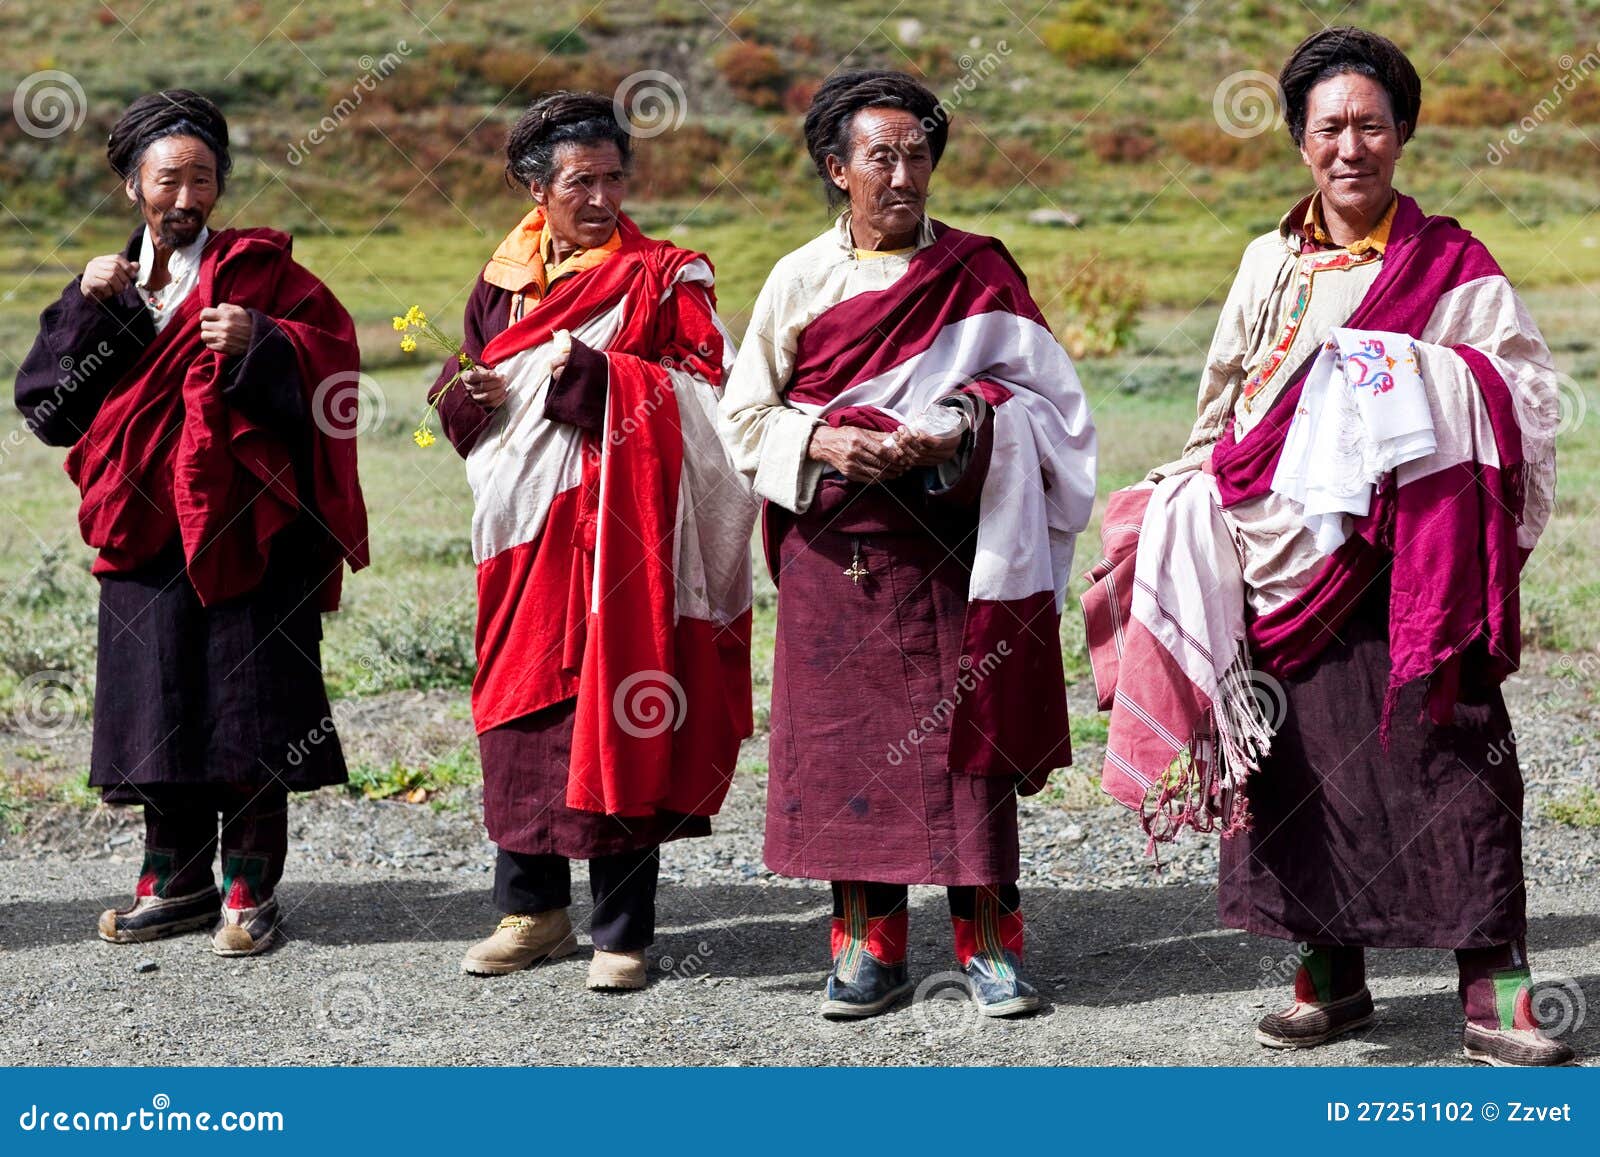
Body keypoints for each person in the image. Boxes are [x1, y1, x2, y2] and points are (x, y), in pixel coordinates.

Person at [1082, 29, 1572, 1065]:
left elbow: (1525, 394)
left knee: (1452, 759)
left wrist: (1411, 373)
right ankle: (1329, 968)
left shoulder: (1452, 264)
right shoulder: (1268, 264)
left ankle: (1495, 978)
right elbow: (1224, 404)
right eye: (1330, 127)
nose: (1351, 147)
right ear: (1300, 141)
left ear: (1405, 132)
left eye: (1372, 126)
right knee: (1299, 764)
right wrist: (1194, 492)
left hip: (1411, 563)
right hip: (1277, 564)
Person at [719, 70, 1096, 1019]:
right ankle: (865, 949)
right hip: (834, 556)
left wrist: (965, 423)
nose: (902, 175)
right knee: (847, 754)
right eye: (880, 157)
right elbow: (743, 417)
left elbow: (1049, 401)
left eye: (918, 155)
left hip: (954, 551)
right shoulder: (800, 278)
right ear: (835, 169)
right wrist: (821, 439)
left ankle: (990, 948)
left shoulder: (979, 270)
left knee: (970, 748)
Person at [13, 89, 368, 957]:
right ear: (131, 185)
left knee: (251, 702)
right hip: (141, 526)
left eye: (202, 178)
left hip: (250, 526)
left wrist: (265, 341)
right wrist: (87, 310)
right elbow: (49, 410)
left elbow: (337, 370)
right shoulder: (106, 283)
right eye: (167, 178)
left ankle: (250, 885)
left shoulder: (262, 276)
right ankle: (172, 882)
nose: (185, 197)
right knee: (157, 700)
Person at [433, 92, 756, 992]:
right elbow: (471, 386)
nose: (603, 198)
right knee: (519, 709)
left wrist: (602, 379)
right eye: (581, 182)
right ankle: (531, 913)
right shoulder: (500, 281)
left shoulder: (666, 276)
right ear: (535, 188)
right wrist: (469, 391)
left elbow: (713, 396)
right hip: (521, 537)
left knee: (620, 704)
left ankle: (623, 929)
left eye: (616, 178)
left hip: (626, 538)